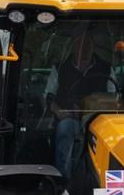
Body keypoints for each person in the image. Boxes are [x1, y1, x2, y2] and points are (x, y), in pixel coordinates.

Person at [44, 33, 116, 179]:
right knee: (64, 128)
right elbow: (48, 95)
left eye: (87, 44)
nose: (83, 48)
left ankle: (102, 180)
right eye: (80, 44)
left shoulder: (106, 68)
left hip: (99, 122)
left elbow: (114, 97)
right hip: (70, 119)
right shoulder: (61, 68)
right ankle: (63, 180)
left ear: (93, 47)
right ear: (74, 46)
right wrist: (59, 112)